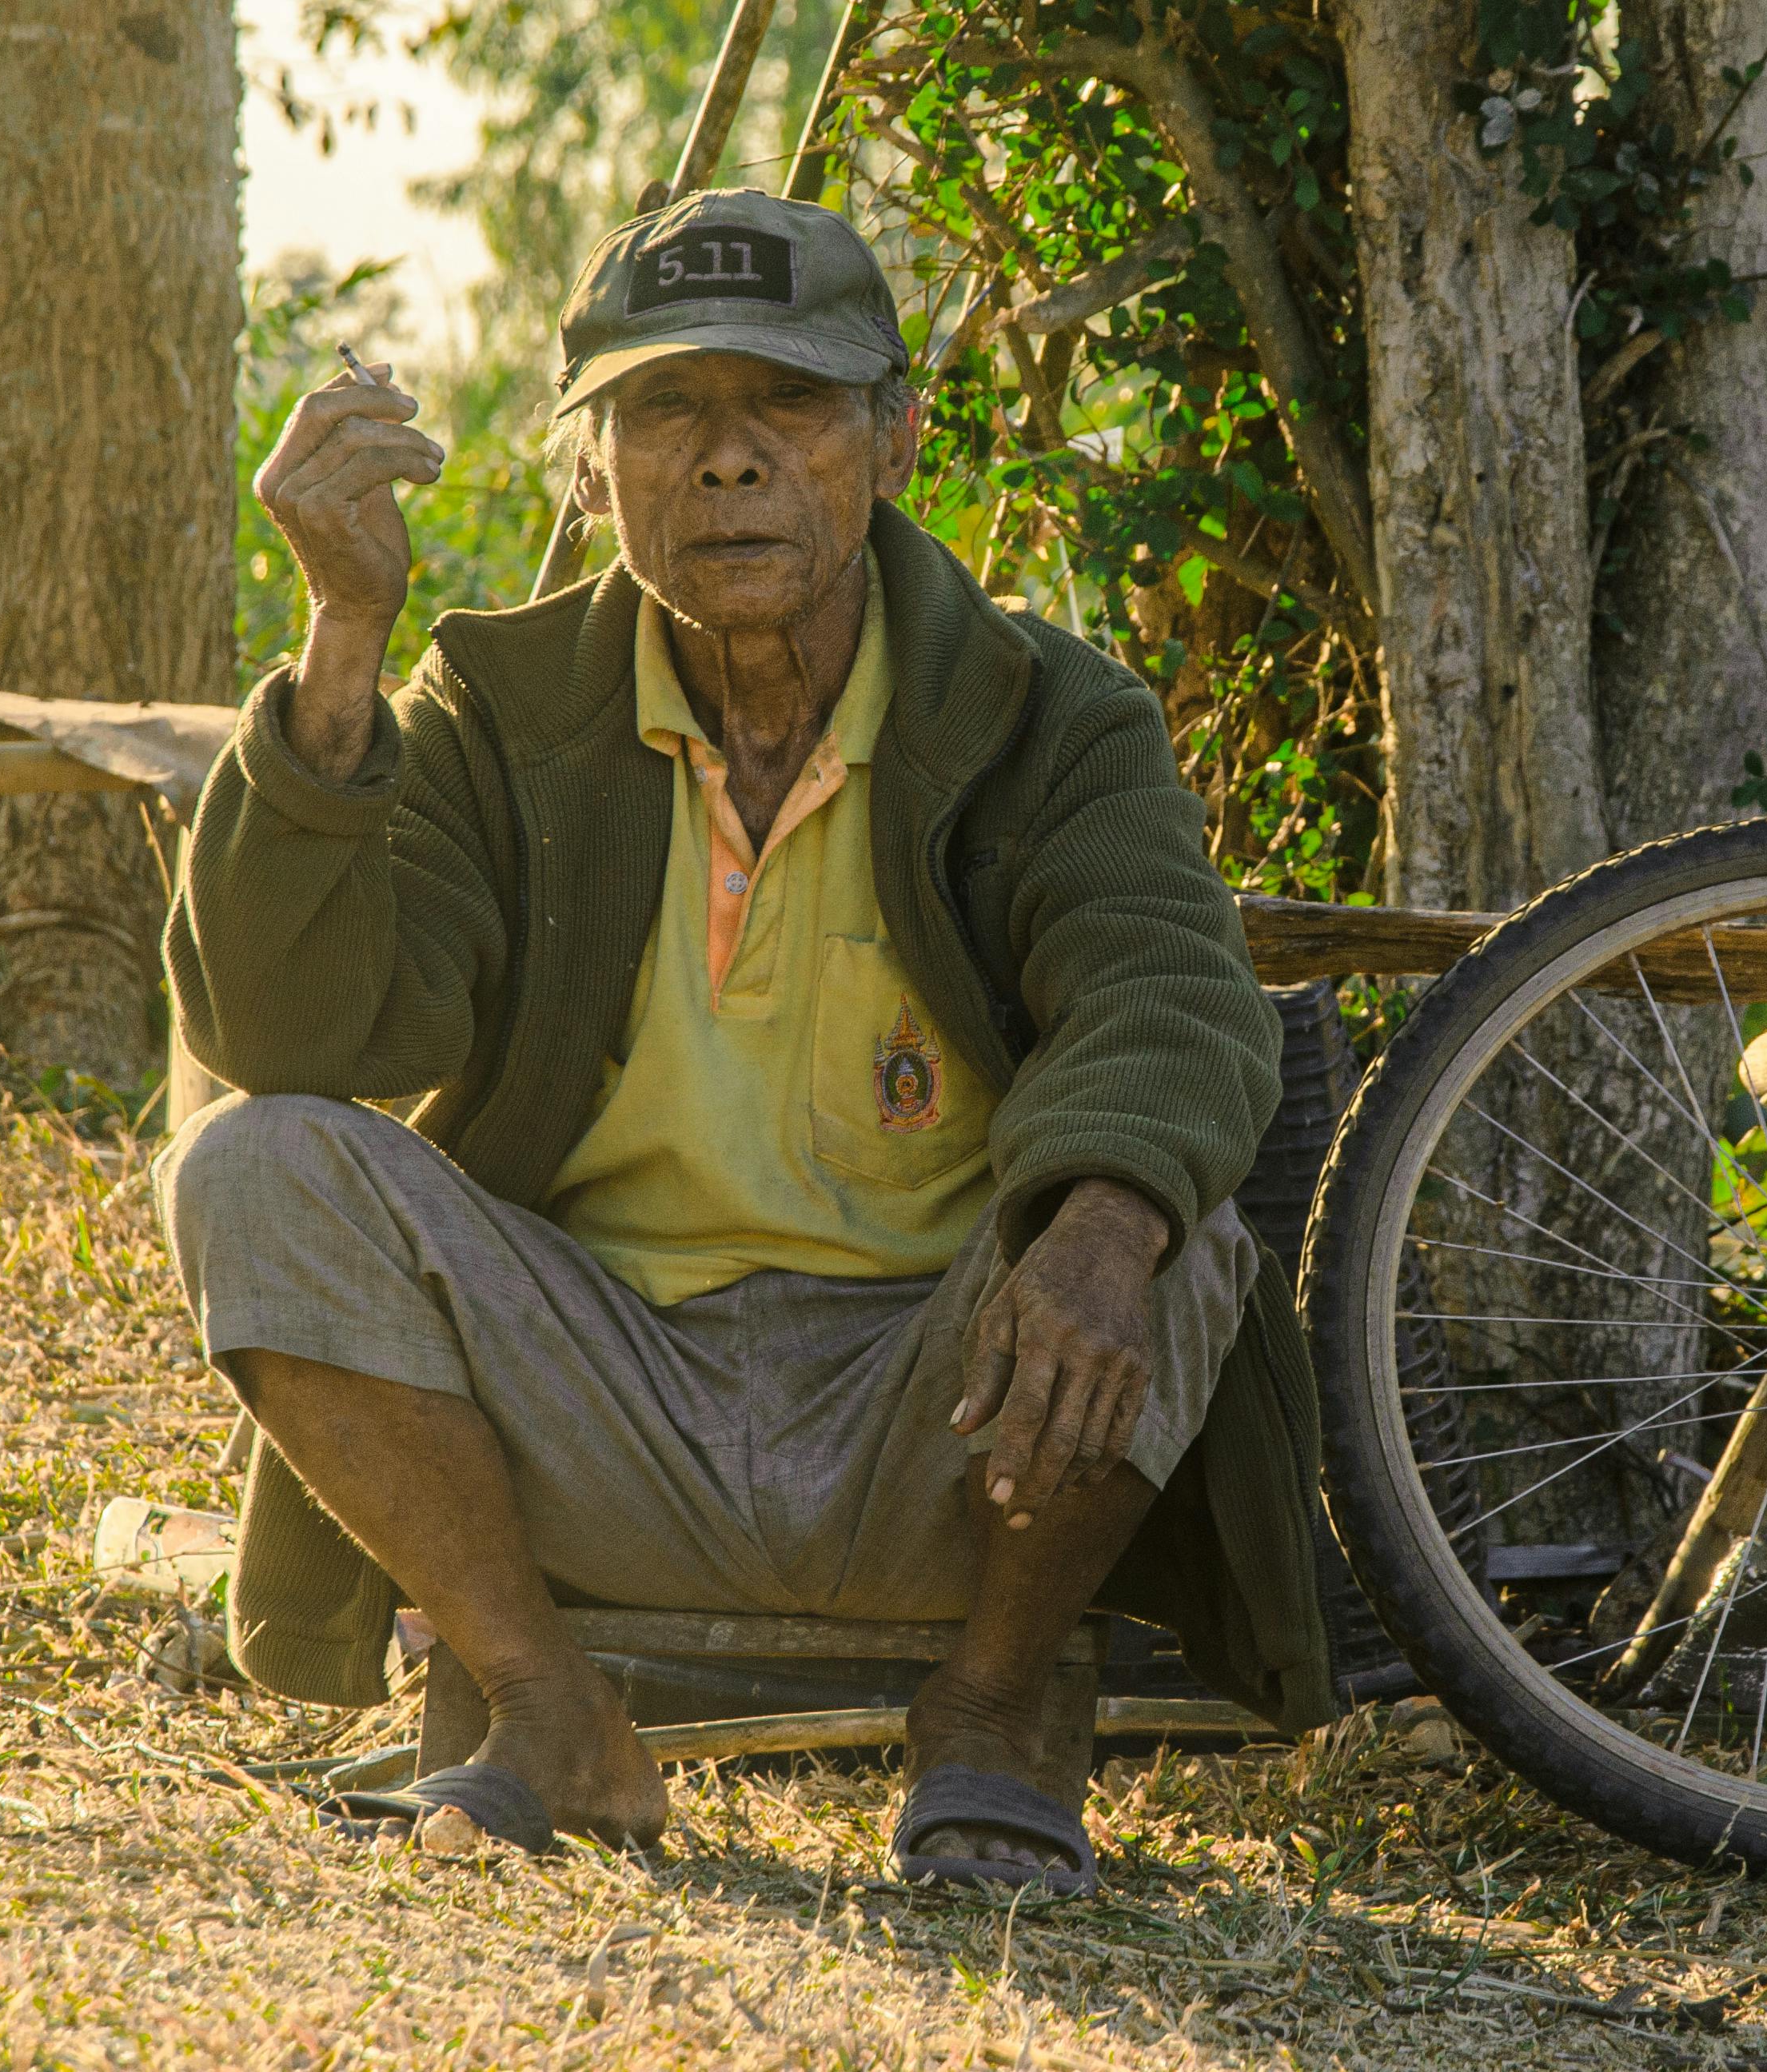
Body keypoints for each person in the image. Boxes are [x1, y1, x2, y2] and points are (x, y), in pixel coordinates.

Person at [158, 188, 1329, 1883]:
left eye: (787, 403)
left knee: (1164, 1226)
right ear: (590, 469)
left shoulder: (1044, 711)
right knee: (253, 1165)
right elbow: (295, 1029)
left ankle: (993, 1708)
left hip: (952, 1433)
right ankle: (543, 1704)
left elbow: (1172, 993)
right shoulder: (505, 708)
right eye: (663, 411)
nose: (726, 461)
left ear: (895, 440)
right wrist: (344, 639)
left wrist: (1100, 1224)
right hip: (599, 1408)